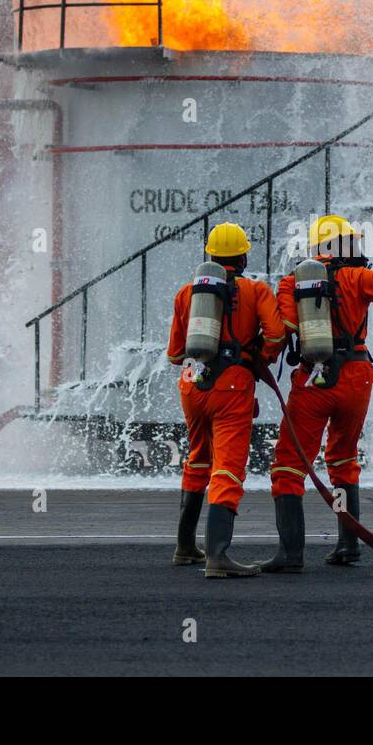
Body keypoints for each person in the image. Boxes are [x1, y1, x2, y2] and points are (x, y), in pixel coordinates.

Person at [261, 215, 373, 572]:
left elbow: (283, 328)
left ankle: (291, 554)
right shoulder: (358, 278)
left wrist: (258, 361)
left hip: (314, 379)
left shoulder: (291, 283)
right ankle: (348, 545)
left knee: (288, 464)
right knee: (344, 459)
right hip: (357, 376)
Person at [166, 221, 285, 579]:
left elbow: (175, 354)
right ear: (244, 256)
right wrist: (253, 358)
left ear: (211, 256)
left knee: (198, 458)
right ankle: (217, 555)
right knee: (228, 468)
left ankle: (185, 546)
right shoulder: (256, 290)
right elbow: (277, 334)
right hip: (232, 387)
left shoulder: (187, 293)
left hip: (192, 383)